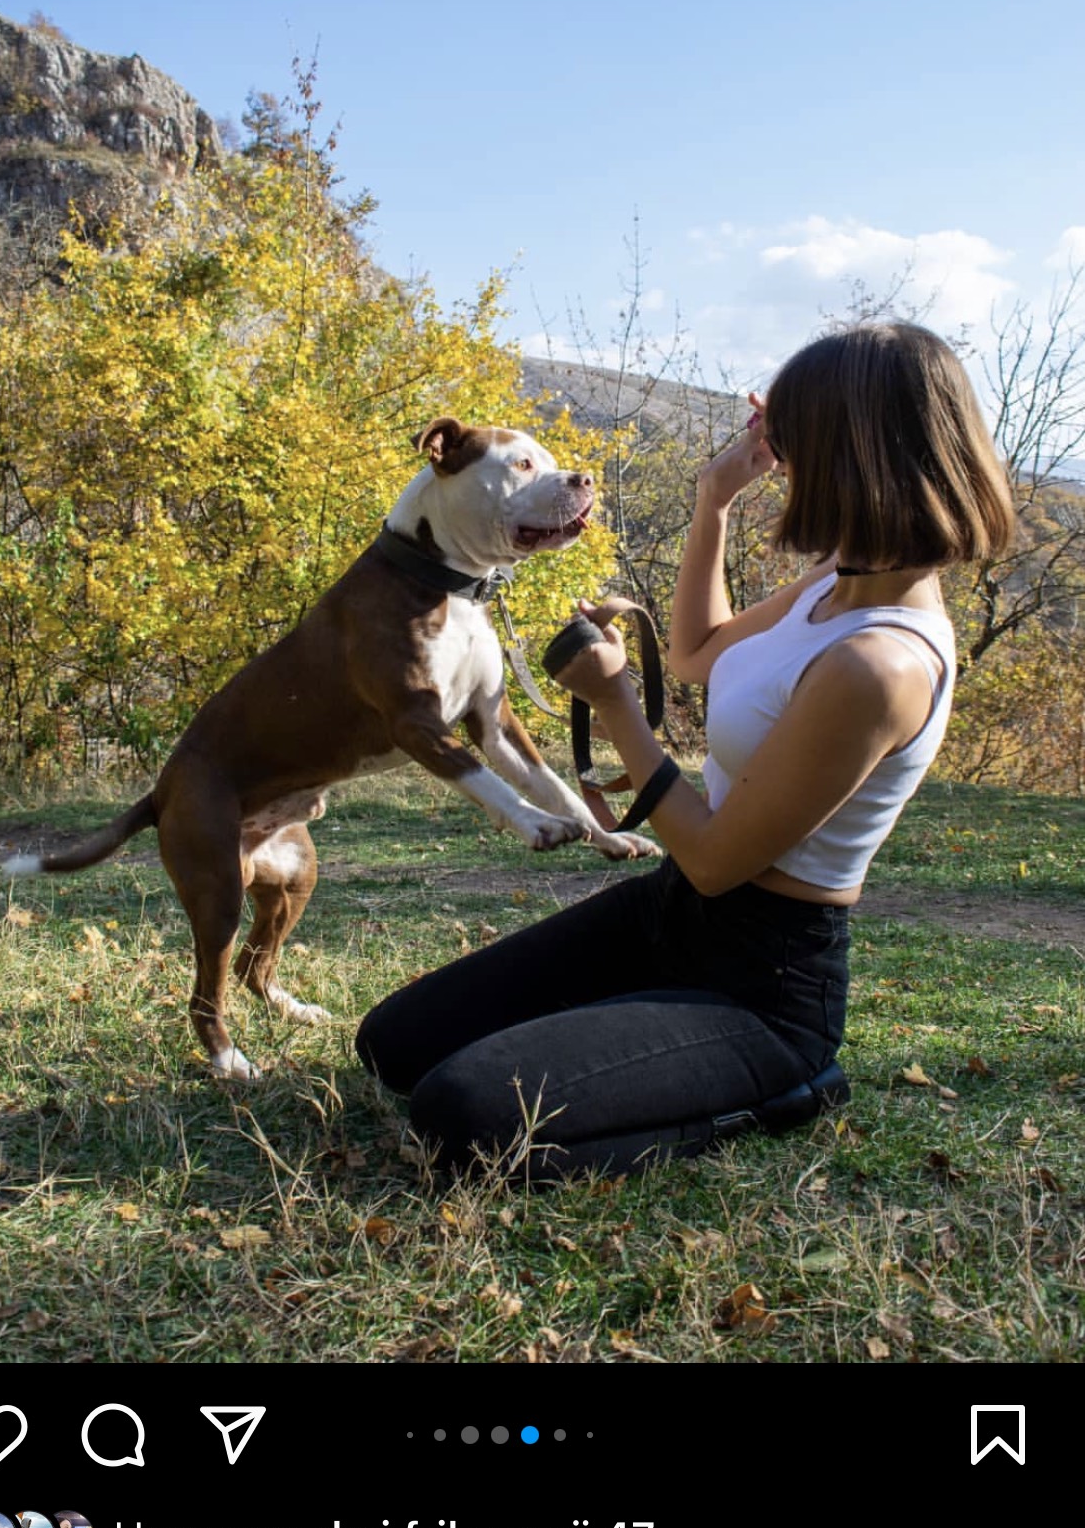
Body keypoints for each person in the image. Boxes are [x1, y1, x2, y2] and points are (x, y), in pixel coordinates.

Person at [356, 323, 1015, 1182]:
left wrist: (617, 704)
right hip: (670, 914)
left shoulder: (881, 663)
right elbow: (700, 650)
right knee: (392, 1046)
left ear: (855, 451)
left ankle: (793, 1086)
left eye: (789, 443)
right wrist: (714, 498)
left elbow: (711, 858)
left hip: (765, 981)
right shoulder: (834, 579)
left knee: (464, 1117)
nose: (777, 462)